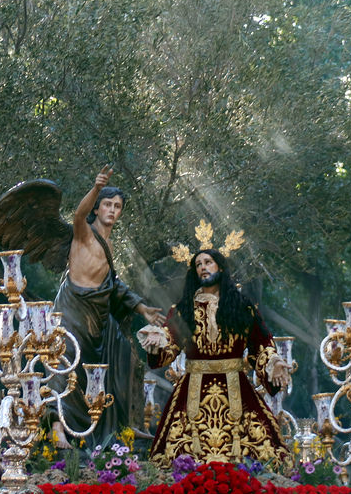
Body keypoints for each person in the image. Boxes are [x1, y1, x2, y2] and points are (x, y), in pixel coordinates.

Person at [140, 248, 292, 468]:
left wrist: (274, 362)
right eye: (198, 264)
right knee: (176, 458)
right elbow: (169, 342)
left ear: (220, 267)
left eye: (208, 262)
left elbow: (261, 345)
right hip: (193, 389)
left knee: (262, 454)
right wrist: (157, 343)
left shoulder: (242, 307)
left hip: (236, 387)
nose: (203, 267)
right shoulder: (183, 310)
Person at [53, 165, 165, 447]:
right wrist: (96, 187)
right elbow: (78, 215)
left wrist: (141, 308)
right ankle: (56, 425)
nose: (112, 210)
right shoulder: (84, 233)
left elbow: (112, 284)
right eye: (107, 204)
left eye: (117, 206)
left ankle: (122, 425)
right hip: (73, 308)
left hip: (98, 316)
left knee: (122, 356)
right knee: (65, 362)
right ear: (97, 207)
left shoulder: (109, 245)